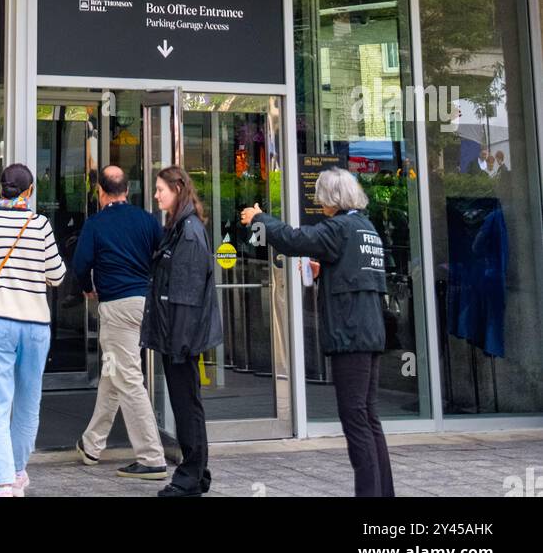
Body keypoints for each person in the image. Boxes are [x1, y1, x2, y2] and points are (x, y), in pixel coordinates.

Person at [242, 166, 395, 498]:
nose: (319, 203)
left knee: (355, 417)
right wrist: (325, 271)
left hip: (350, 334)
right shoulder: (366, 229)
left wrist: (260, 218)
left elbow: (295, 240)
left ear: (332, 198)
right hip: (371, 331)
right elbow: (356, 275)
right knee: (369, 416)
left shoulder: (338, 228)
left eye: (321, 198)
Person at [0, 162, 65, 497]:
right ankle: (19, 472)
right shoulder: (41, 225)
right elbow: (57, 275)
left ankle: (5, 484)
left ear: (0, 188)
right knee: (27, 403)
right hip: (36, 325)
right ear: (29, 190)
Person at [72, 165, 167, 480]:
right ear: (127, 190)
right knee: (113, 373)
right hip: (144, 303)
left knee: (128, 379)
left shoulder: (96, 224)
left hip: (116, 306)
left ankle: (152, 457)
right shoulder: (147, 220)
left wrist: (87, 288)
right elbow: (161, 256)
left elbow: (81, 264)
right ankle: (91, 443)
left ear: (100, 192)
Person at [141, 165, 223, 498]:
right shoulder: (179, 227)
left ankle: (189, 476)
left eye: (161, 189)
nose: (157, 195)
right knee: (188, 404)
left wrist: (180, 342)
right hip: (177, 335)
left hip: (181, 337)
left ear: (177, 189)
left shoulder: (187, 232)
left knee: (186, 405)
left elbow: (187, 294)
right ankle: (198, 471)